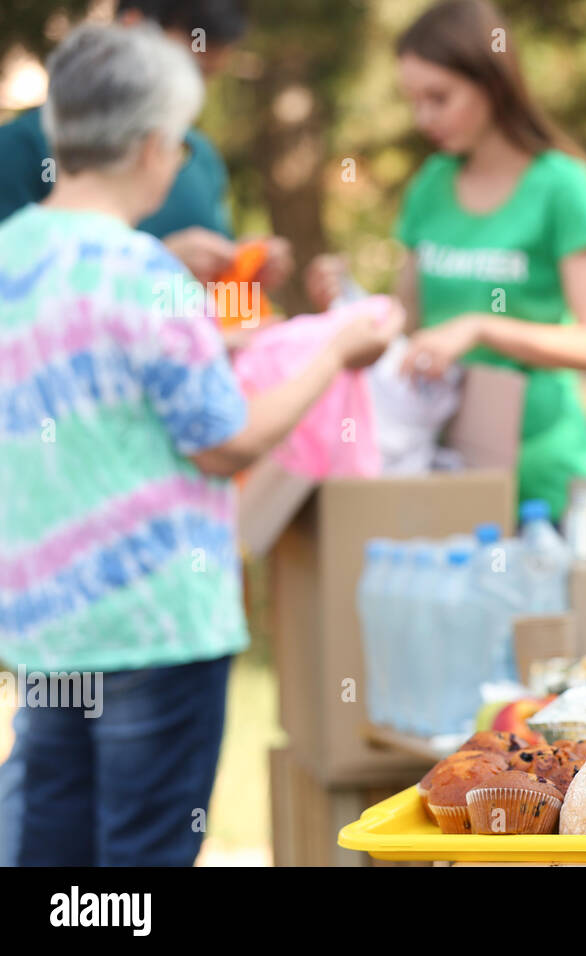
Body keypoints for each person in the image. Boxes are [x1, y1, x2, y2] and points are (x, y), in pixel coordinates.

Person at [0, 22, 400, 866]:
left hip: (46, 621)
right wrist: (333, 349)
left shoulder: (13, 255)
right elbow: (227, 441)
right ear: (152, 145)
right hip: (157, 624)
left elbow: (93, 371)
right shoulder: (145, 275)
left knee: (52, 847)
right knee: (143, 861)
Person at [309, 0, 586, 522]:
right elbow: (407, 324)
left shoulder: (563, 187)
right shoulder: (430, 185)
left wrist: (480, 328)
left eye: (439, 97)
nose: (423, 118)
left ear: (493, 81)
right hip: (448, 469)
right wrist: (349, 301)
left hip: (544, 474)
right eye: (413, 100)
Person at [0, 0, 294, 303]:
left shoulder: (199, 157)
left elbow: (213, 307)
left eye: (209, 77)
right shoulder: (19, 147)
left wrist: (242, 271)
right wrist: (157, 266)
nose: (196, 93)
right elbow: (19, 296)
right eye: (191, 69)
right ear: (133, 27)